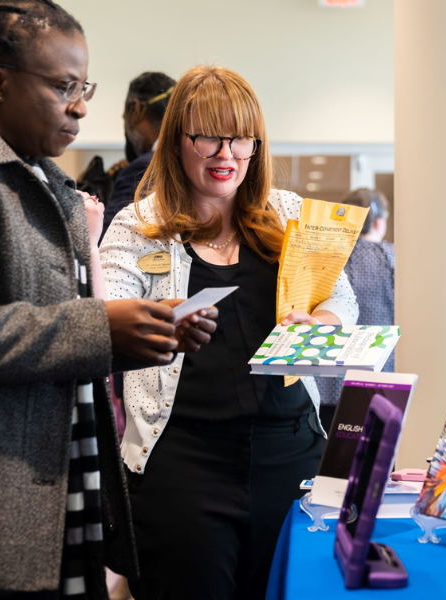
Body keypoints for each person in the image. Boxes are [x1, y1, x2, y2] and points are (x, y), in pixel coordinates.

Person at [0, 3, 216, 599]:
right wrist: (97, 331)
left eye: (83, 87)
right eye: (63, 87)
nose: (81, 105)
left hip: (62, 493)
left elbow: (59, 338)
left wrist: (139, 336)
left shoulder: (47, 183)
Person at [99, 65, 358, 600]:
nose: (226, 153)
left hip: (291, 454)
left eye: (241, 138)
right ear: (176, 141)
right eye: (208, 137)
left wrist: (322, 324)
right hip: (182, 462)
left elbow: (341, 297)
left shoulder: (286, 213)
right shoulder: (138, 225)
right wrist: (161, 321)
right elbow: (105, 315)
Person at [316, 188, 395, 423]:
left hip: (322, 384)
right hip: (376, 383)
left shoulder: (324, 256)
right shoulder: (392, 258)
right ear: (379, 223)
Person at [101, 71, 176, 242]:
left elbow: (106, 242)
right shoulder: (192, 162)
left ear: (135, 110)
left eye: (124, 118)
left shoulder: (143, 167)